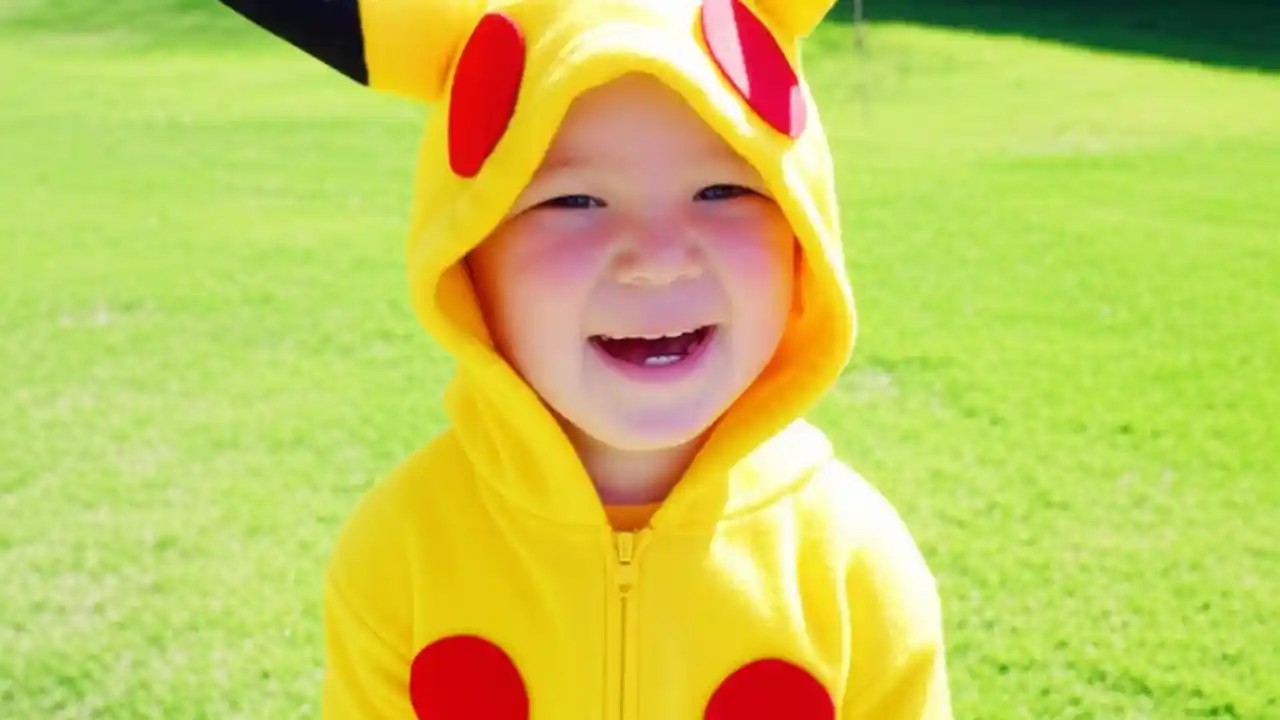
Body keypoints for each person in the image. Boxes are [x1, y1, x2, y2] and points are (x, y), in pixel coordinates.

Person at [219, 0, 952, 717]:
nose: (658, 261)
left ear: (800, 234)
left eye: (724, 189)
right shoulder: (402, 553)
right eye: (573, 201)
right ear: (468, 260)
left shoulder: (856, 568)